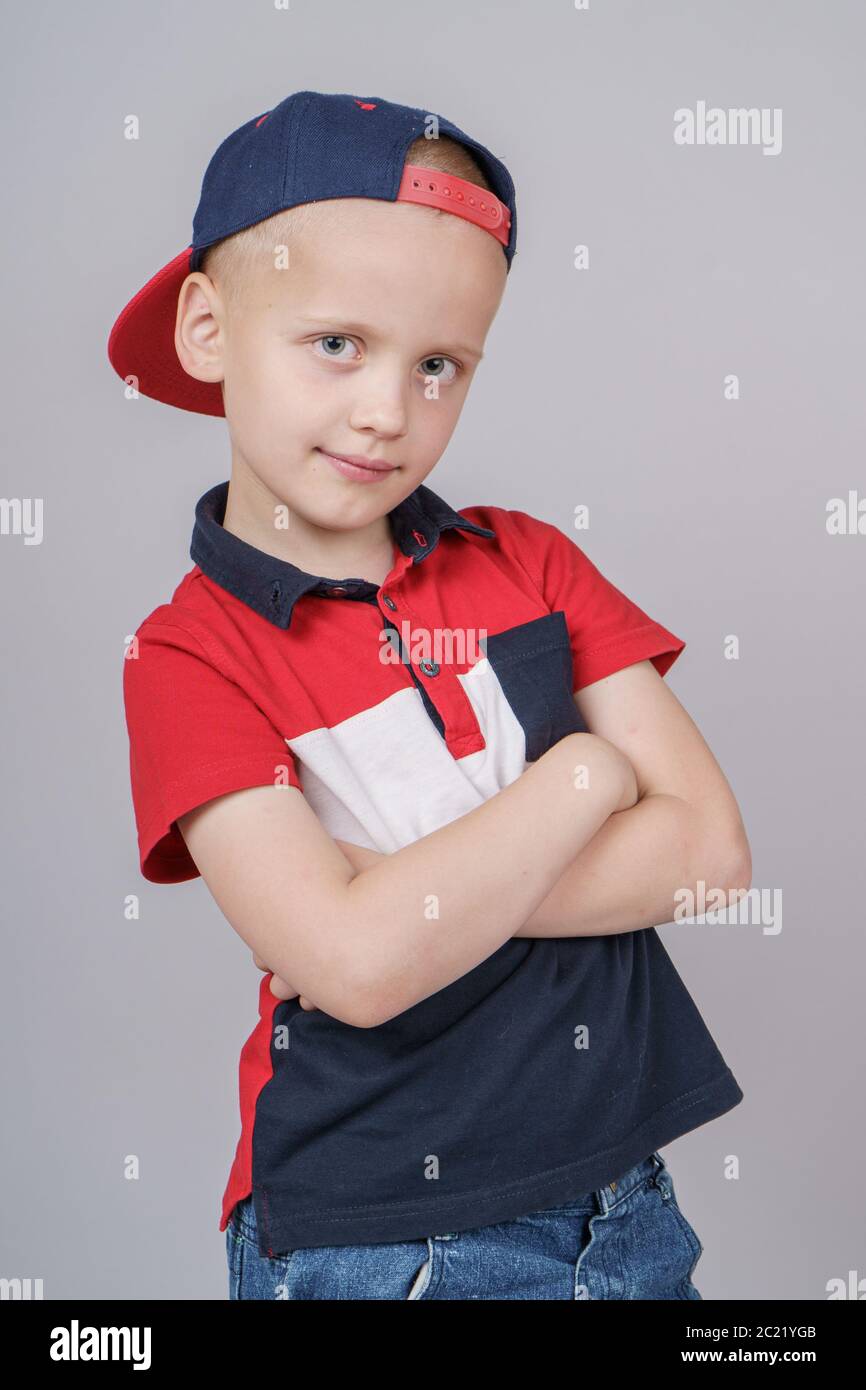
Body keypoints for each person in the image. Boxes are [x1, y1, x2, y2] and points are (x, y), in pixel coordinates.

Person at [112, 89, 749, 1300]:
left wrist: (400, 901)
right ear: (207, 327)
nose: (385, 412)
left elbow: (706, 851)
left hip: (622, 1203)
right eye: (336, 343)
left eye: (439, 365)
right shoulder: (190, 656)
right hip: (385, 1239)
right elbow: (352, 971)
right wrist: (586, 775)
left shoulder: (529, 564)